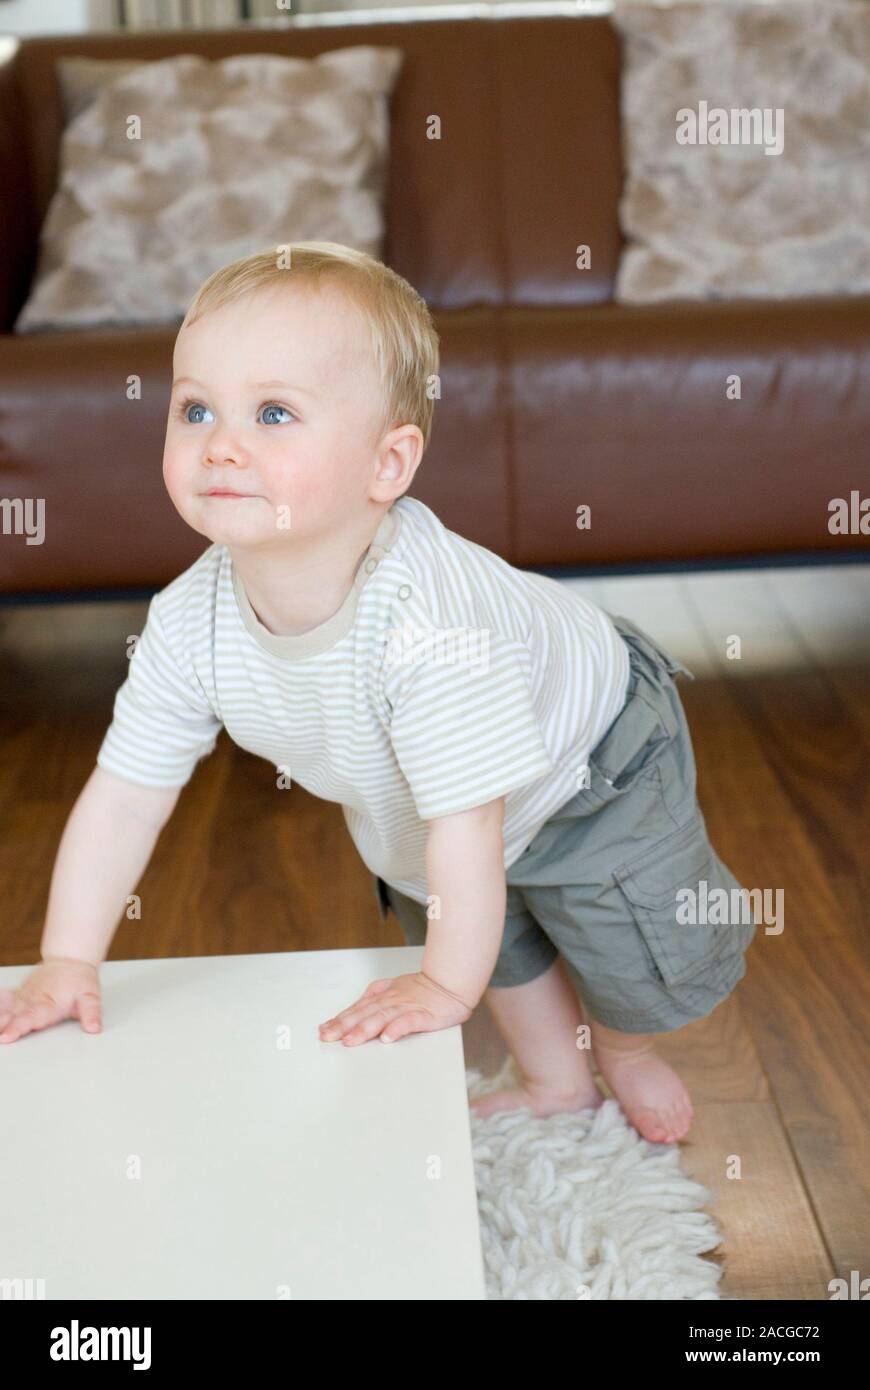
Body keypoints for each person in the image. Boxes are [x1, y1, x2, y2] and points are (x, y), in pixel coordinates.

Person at [0, 242, 756, 1145]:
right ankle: (560, 1084)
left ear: (388, 465)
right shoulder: (184, 621)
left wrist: (443, 987)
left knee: (627, 949)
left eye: (274, 412)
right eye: (195, 407)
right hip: (427, 793)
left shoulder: (431, 630)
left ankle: (625, 1053)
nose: (221, 443)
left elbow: (471, 826)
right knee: (484, 923)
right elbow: (125, 795)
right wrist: (67, 956)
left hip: (594, 755)